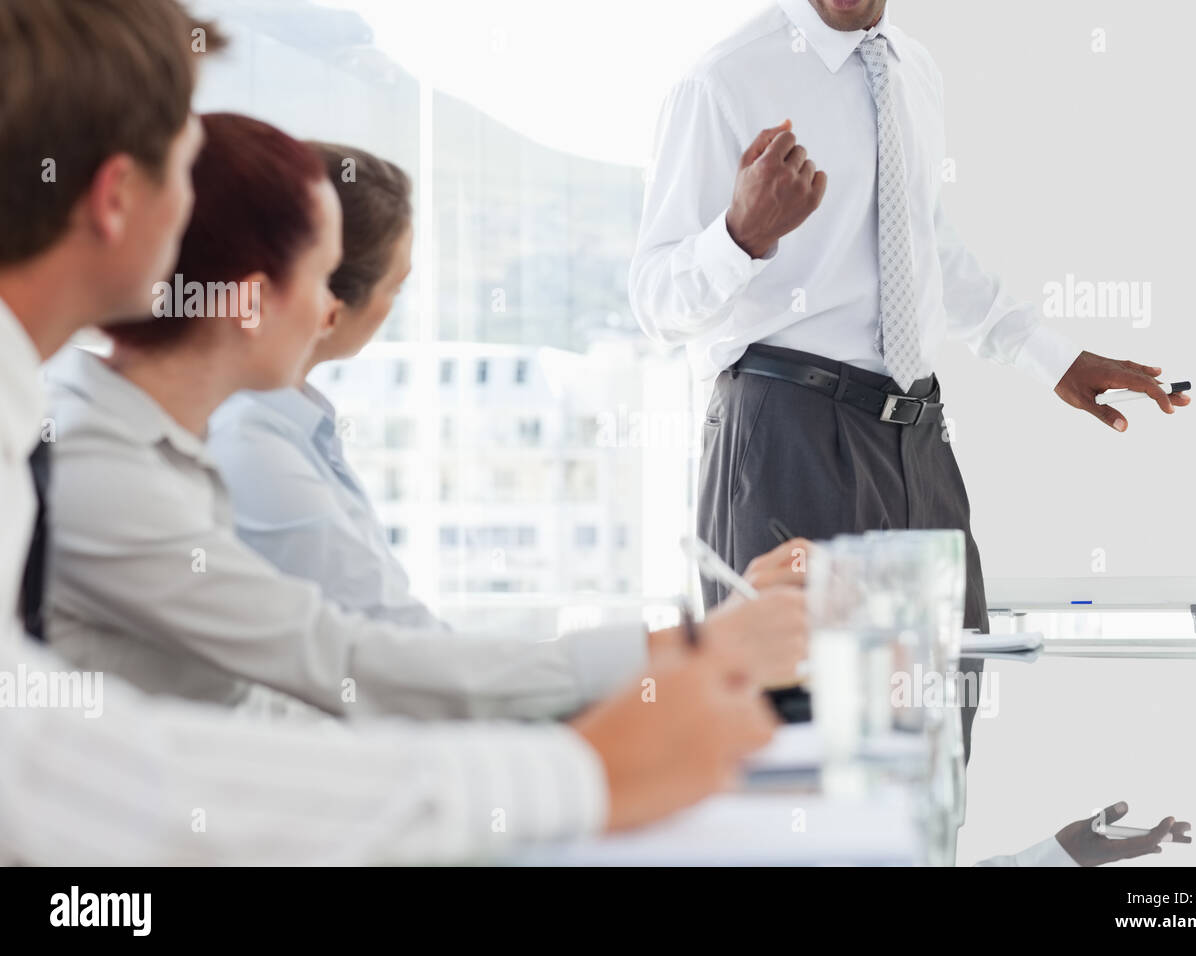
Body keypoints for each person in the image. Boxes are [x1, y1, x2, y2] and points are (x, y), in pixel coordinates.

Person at [0, 0, 777, 864]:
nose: (193, 223)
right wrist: (581, 767)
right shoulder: (99, 454)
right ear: (116, 197)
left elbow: (283, 701)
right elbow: (332, 661)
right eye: (183, 170)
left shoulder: (82, 428)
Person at [43, 112, 808, 721]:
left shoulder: (175, 441)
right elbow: (356, 662)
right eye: (318, 277)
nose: (327, 308)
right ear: (249, 298)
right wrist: (687, 647)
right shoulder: (118, 466)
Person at [628, 0, 1191, 757]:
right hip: (786, 435)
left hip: (918, 443)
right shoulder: (725, 78)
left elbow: (925, 249)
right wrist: (739, 238)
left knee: (935, 742)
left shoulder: (912, 71)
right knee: (796, 751)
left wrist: (1051, 355)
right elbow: (655, 301)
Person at [206, 141, 814, 641]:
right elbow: (414, 659)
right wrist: (698, 644)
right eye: (398, 286)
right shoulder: (255, 447)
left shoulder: (290, 429)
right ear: (329, 308)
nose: (398, 307)